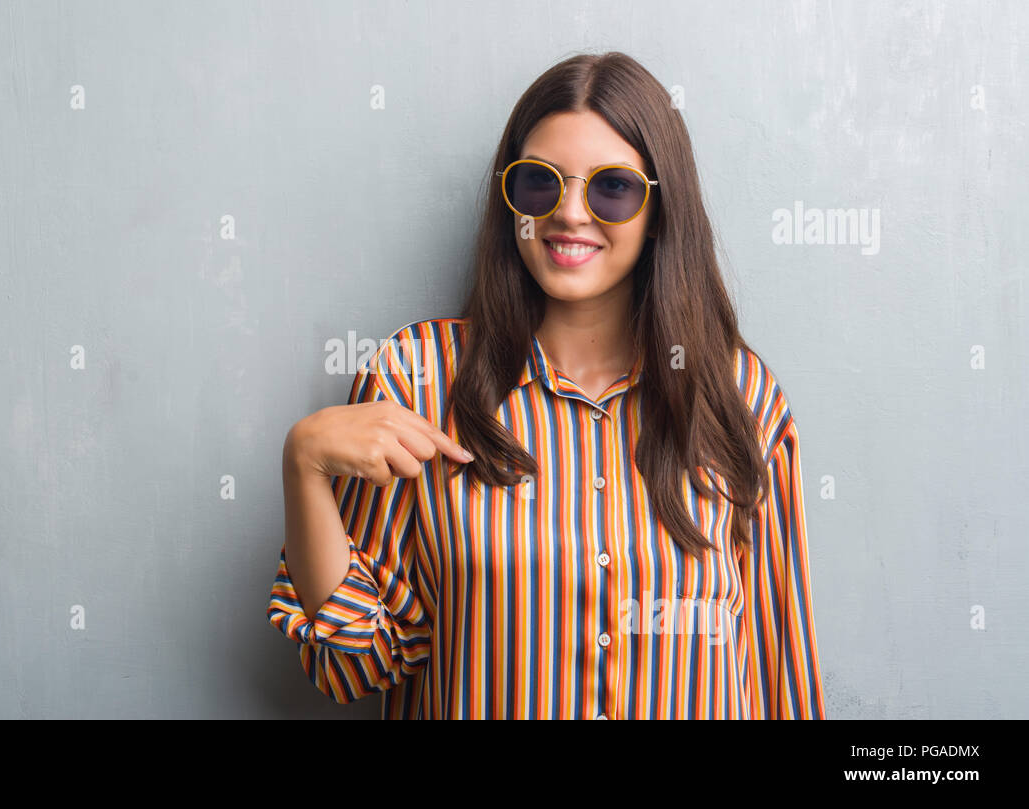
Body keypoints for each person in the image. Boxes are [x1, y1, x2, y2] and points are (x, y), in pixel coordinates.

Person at [267, 51, 826, 719]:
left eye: (612, 188)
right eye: (540, 183)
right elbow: (352, 665)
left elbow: (775, 673)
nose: (568, 213)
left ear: (658, 208)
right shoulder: (416, 380)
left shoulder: (741, 397)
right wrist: (303, 463)